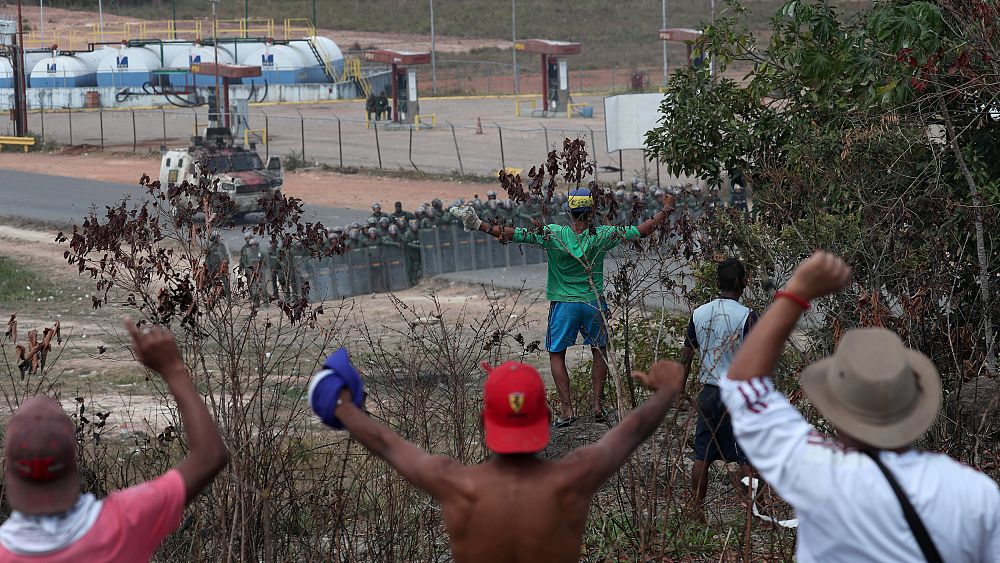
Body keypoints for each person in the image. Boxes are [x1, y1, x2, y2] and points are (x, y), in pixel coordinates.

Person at [723, 252, 1000, 562]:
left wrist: (797, 291)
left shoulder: (821, 475)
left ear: (837, 410)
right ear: (916, 406)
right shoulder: (977, 494)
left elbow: (743, 386)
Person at [310, 353, 684, 563]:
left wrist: (343, 406)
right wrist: (667, 389)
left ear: (482, 420)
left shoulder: (457, 485)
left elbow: (388, 443)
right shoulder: (573, 479)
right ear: (547, 419)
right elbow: (633, 430)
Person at [0, 320, 228, 561]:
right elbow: (210, 456)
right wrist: (173, 370)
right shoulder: (124, 522)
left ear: (10, 474)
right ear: (74, 465)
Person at [452, 188, 675, 426]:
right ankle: (598, 407)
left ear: (569, 213)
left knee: (557, 354)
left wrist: (478, 224)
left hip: (564, 305)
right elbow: (643, 230)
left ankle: (567, 411)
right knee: (599, 350)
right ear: (591, 212)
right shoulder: (603, 234)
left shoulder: (553, 234)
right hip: (593, 302)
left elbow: (515, 234)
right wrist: (666, 208)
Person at [681, 258, 756, 521]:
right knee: (745, 456)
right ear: (743, 283)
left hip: (709, 393)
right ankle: (753, 514)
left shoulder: (699, 313)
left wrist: (680, 389)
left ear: (717, 284)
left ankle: (696, 509)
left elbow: (687, 354)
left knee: (703, 454)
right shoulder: (747, 316)